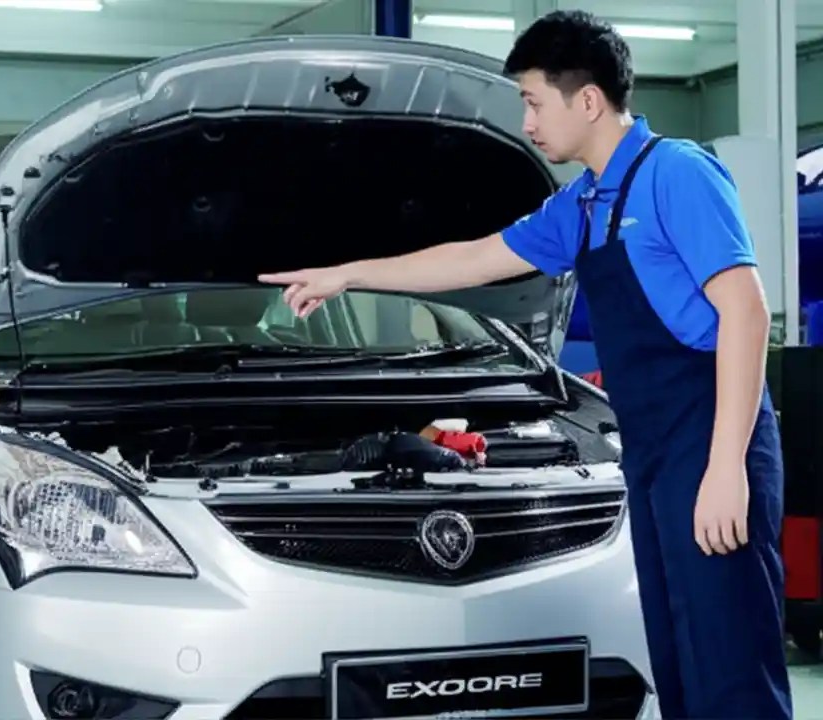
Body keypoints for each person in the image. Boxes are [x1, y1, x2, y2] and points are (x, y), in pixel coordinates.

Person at [259, 10, 791, 720]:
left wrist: (725, 469)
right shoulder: (584, 204)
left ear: (589, 101)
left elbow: (746, 313)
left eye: (535, 101)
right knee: (680, 659)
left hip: (714, 439)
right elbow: (472, 257)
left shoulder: (678, 173)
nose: (528, 121)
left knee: (732, 670)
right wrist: (346, 274)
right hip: (658, 454)